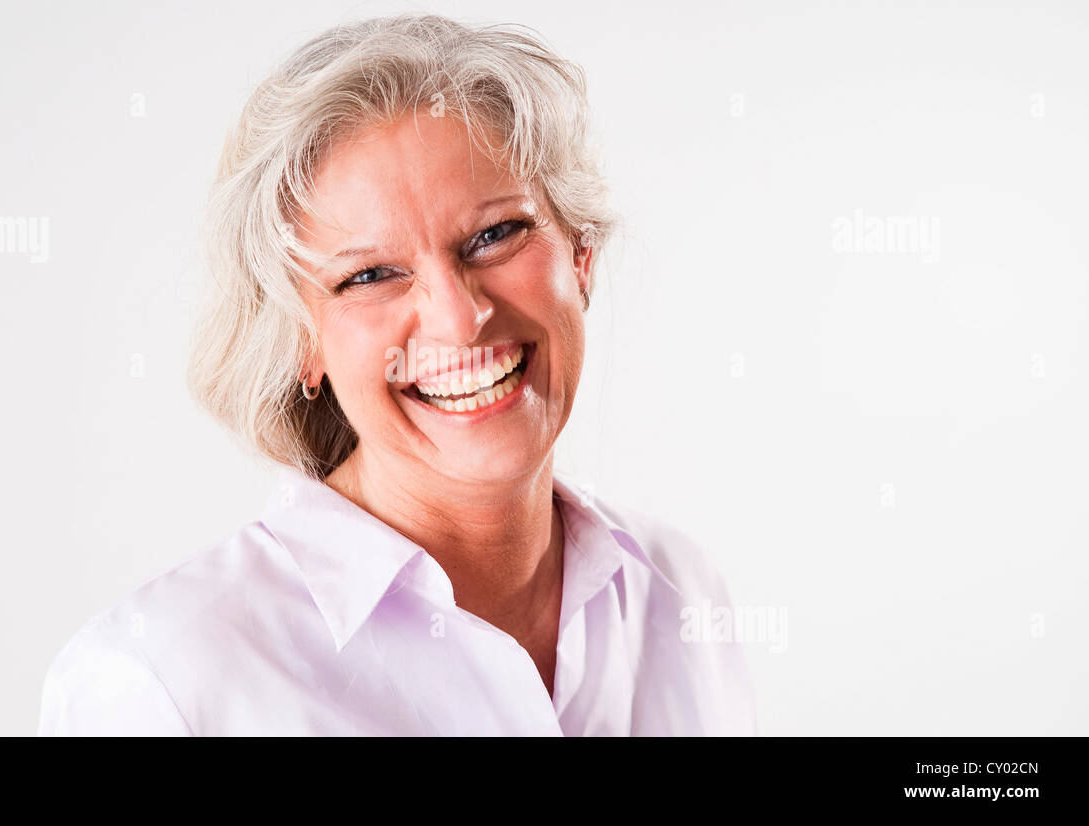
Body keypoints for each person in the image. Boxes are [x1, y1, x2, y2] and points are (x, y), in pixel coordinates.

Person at [37, 13, 756, 736]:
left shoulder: (679, 593)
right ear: (300, 345)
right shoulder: (159, 685)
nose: (458, 316)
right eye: (370, 275)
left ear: (580, 251)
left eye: (496, 234)